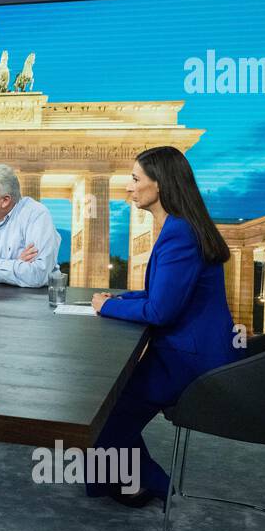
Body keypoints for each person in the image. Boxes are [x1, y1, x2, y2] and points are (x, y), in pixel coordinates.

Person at [88, 145, 241, 507]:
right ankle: (130, 480)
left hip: (189, 360)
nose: (129, 186)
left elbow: (160, 312)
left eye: (135, 178)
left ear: (159, 184)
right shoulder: (183, 227)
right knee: (111, 407)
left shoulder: (179, 234)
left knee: (102, 409)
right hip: (190, 349)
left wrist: (108, 308)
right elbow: (163, 295)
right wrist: (121, 299)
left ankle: (151, 483)